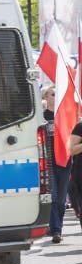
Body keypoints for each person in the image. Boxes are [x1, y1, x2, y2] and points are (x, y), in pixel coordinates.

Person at [42, 86, 73, 243]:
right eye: (52, 94)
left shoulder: (64, 116)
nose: (55, 96)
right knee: (53, 195)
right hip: (48, 161)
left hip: (65, 160)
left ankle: (56, 225)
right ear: (46, 98)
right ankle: (56, 229)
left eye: (56, 94)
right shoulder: (41, 117)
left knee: (61, 198)